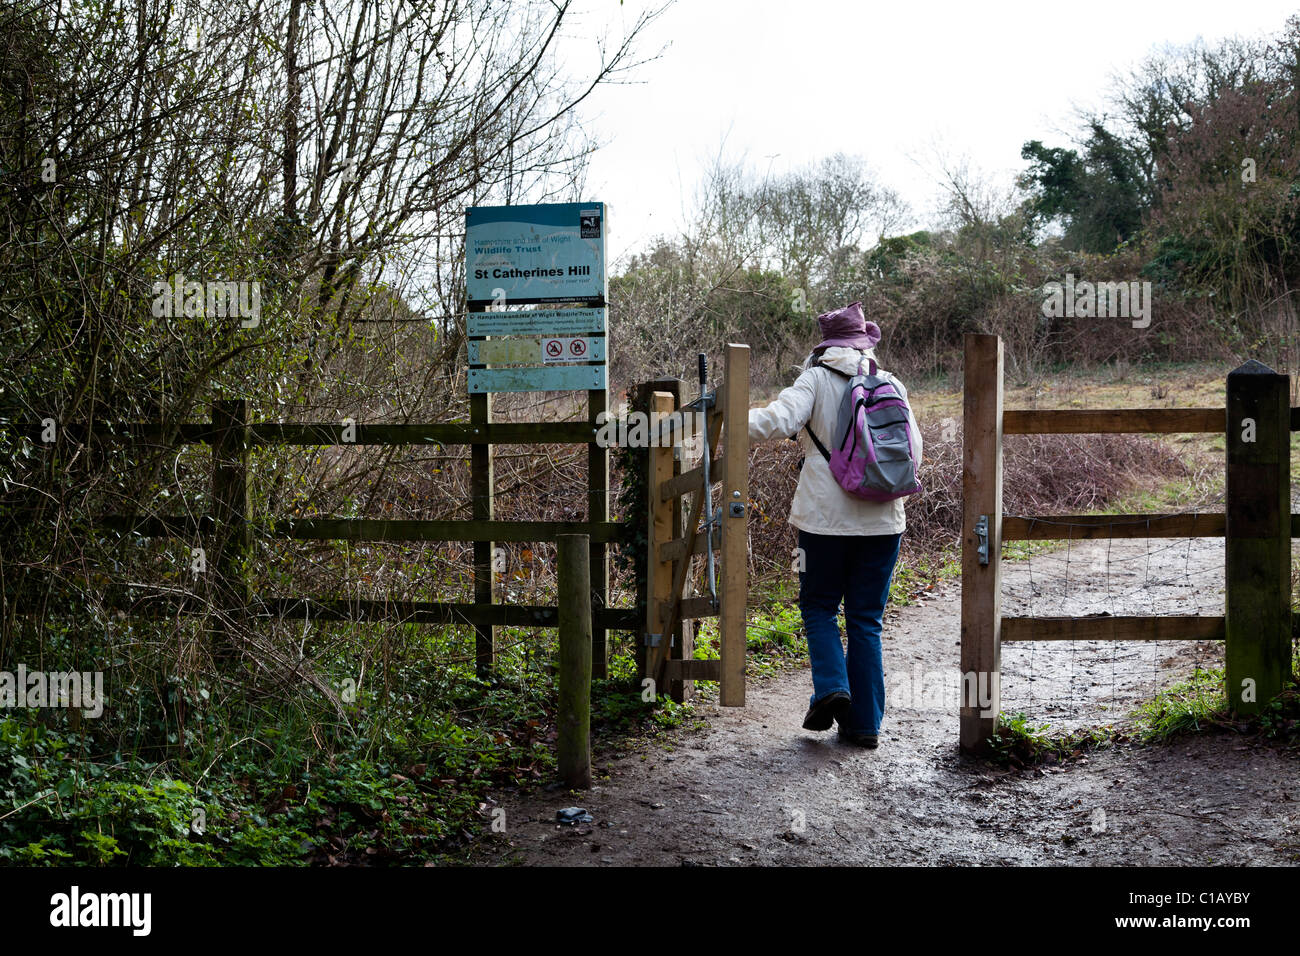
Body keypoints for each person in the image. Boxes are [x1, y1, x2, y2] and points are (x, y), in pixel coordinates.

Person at [747, 301, 922, 749]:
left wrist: (722, 418)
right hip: (884, 523)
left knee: (819, 606)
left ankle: (830, 688)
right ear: (864, 343)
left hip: (823, 524)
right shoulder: (890, 383)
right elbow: (912, 455)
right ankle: (864, 725)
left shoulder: (815, 379)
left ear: (824, 345)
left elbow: (776, 422)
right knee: (866, 620)